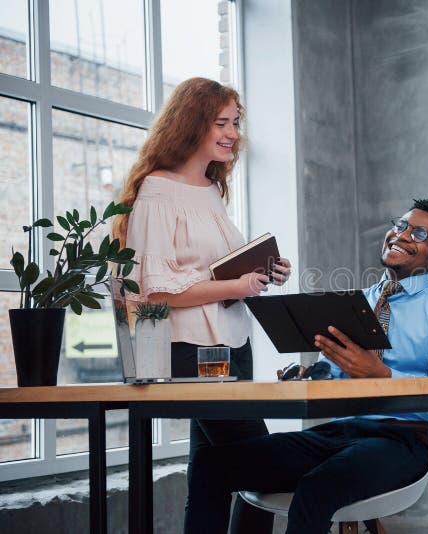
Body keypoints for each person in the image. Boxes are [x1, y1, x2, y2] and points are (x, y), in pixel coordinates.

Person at [183, 199, 428, 534]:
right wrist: (308, 376)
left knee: (318, 486)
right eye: (400, 225)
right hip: (338, 433)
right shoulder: (354, 302)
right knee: (210, 465)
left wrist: (379, 374)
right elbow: (332, 373)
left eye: (419, 233)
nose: (402, 234)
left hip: (402, 440)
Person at [112, 77, 292, 533]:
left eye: (236, 123)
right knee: (263, 465)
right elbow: (156, 291)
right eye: (221, 123)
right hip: (190, 350)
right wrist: (239, 285)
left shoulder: (211, 190)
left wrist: (261, 273)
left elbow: (214, 271)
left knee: (210, 474)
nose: (233, 133)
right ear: (192, 125)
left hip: (232, 344)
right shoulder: (157, 190)